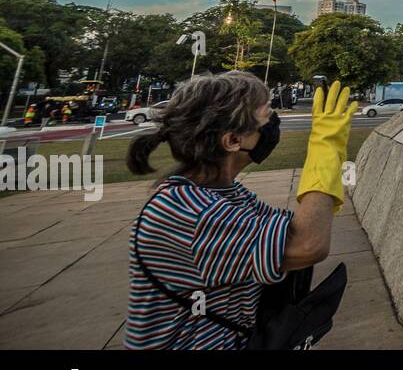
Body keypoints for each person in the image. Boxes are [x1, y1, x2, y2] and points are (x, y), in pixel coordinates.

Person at [124, 71, 356, 350]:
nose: (273, 124)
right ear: (233, 140)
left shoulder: (228, 195)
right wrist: (326, 148)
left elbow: (296, 227)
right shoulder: (186, 211)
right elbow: (307, 244)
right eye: (267, 116)